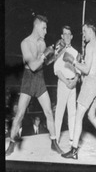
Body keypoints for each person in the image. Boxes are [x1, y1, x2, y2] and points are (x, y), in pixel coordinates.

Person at [6, 14, 61, 157]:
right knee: (20, 114)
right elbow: (33, 66)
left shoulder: (42, 43)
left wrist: (55, 55)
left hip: (40, 79)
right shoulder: (25, 43)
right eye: (44, 28)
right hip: (29, 79)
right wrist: (44, 55)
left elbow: (44, 64)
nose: (46, 31)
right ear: (36, 26)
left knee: (49, 111)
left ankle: (54, 142)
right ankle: (11, 143)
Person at [62, 22, 96, 160]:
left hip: (90, 84)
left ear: (91, 30)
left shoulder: (91, 45)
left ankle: (73, 151)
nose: (83, 34)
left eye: (84, 31)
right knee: (91, 116)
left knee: (78, 116)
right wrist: (80, 65)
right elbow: (91, 69)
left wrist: (73, 62)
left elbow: (86, 70)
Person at [52, 25, 80, 150]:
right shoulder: (58, 51)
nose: (67, 36)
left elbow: (78, 70)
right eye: (65, 34)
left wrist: (74, 81)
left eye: (69, 34)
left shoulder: (75, 52)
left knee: (72, 113)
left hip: (73, 85)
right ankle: (56, 140)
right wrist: (67, 82)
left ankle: (72, 140)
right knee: (59, 112)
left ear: (72, 36)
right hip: (63, 84)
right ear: (62, 36)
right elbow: (57, 70)